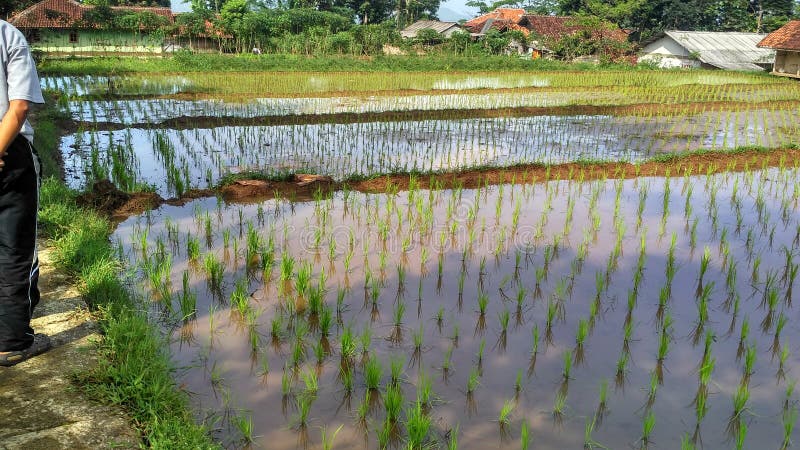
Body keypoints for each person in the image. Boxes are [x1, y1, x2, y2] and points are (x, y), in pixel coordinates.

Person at [0, 19, 49, 366]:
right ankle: (12, 341)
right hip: (9, 153)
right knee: (14, 248)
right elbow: (18, 107)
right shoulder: (7, 35)